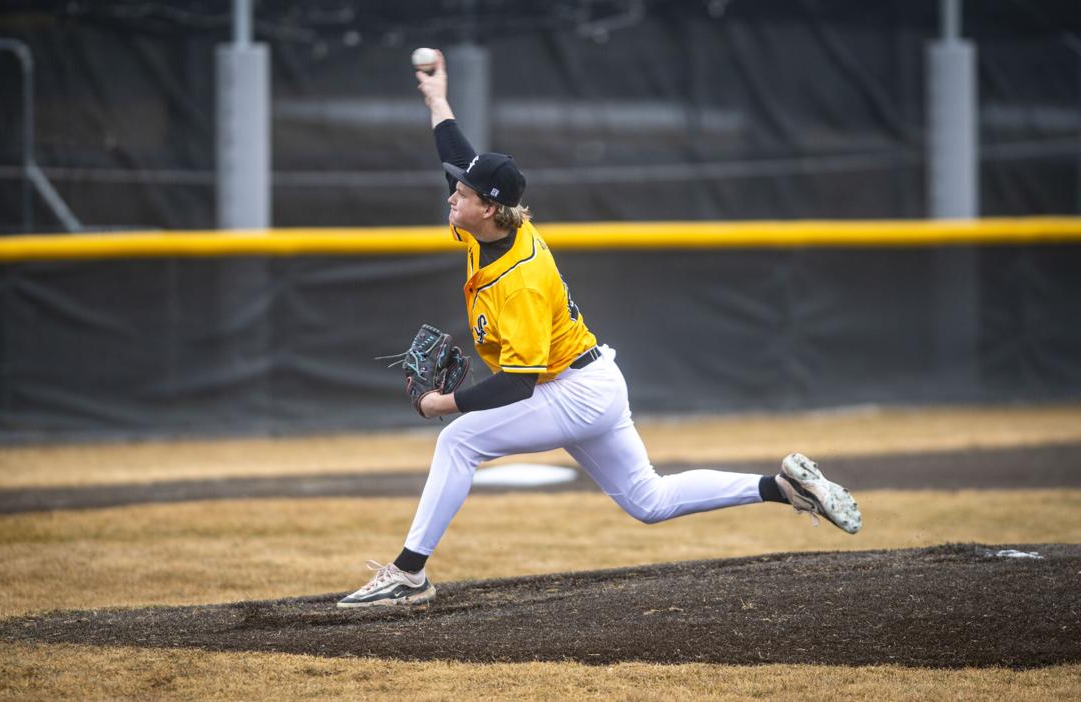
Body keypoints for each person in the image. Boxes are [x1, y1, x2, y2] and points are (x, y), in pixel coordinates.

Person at [337, 50, 861, 608]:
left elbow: (518, 383)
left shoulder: (520, 279)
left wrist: (443, 404)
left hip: (570, 391)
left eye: (462, 194)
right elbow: (458, 156)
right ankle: (783, 489)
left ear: (488, 209)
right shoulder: (487, 226)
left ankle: (408, 574)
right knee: (649, 501)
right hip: (593, 381)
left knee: (458, 441)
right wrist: (438, 99)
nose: (452, 195)